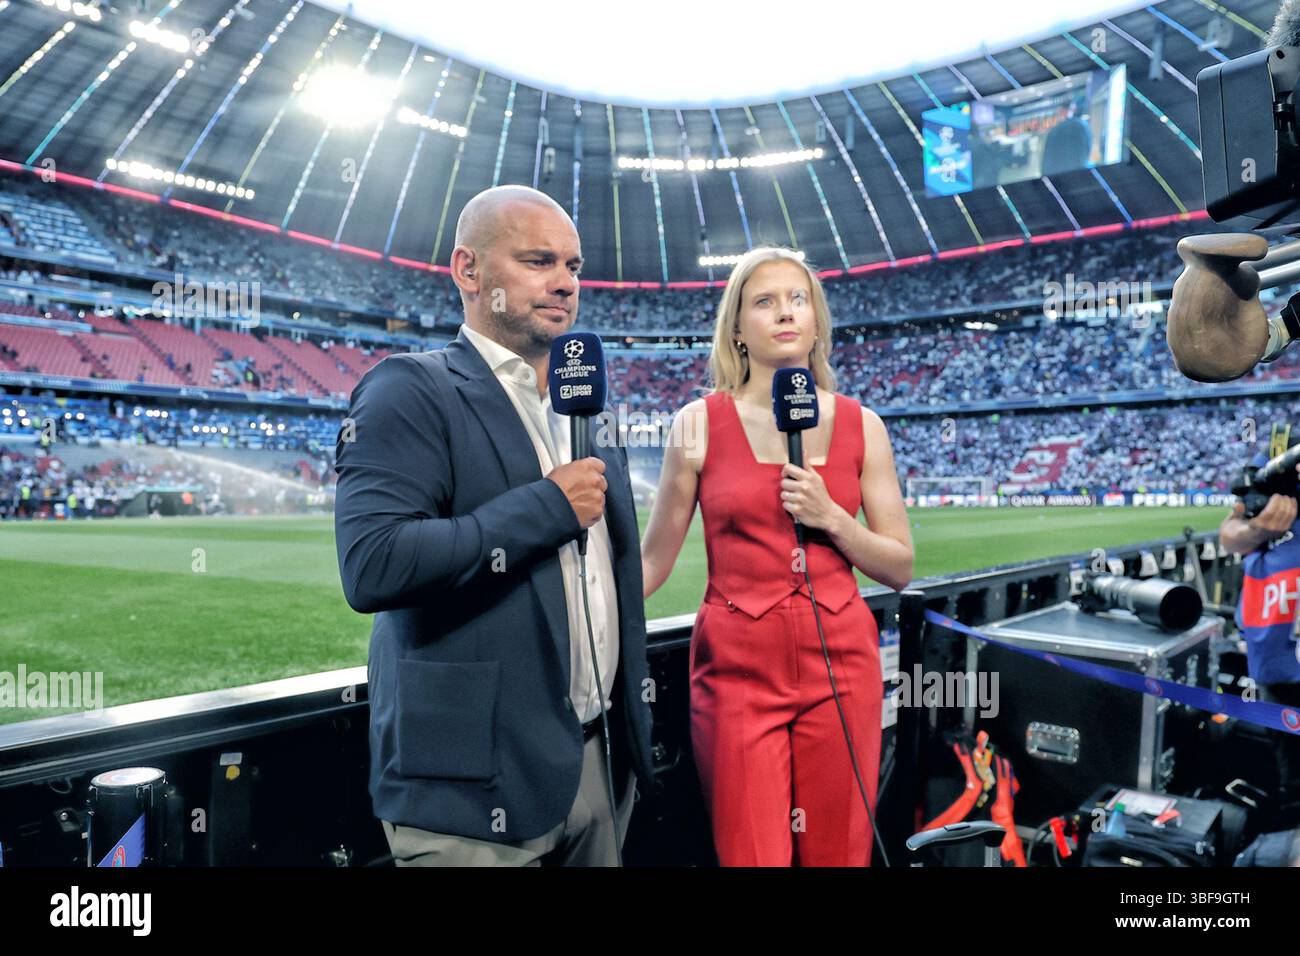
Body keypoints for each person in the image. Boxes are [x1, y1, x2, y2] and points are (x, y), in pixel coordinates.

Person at [334, 185, 654, 866]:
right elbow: (374, 564)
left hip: (596, 760)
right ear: (468, 270)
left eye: (573, 266)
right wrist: (546, 507)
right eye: (539, 260)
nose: (565, 283)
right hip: (469, 787)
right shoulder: (409, 388)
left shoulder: (585, 411)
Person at [640, 246, 913, 866]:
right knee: (750, 856)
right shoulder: (697, 424)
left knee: (838, 855)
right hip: (736, 670)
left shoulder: (862, 424)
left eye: (798, 299)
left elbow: (897, 565)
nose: (784, 313)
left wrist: (832, 519)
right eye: (763, 301)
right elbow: (652, 564)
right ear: (736, 328)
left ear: (816, 320)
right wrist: (571, 607)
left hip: (842, 664)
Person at [1220, 423, 1300, 830]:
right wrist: (1259, 529)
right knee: (1294, 780)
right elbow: (1229, 535)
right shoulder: (1278, 448)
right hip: (1279, 655)